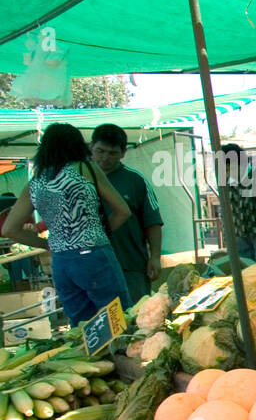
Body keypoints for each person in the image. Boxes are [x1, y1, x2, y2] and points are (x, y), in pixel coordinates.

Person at [1, 124, 131, 325]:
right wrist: (98, 234)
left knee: (81, 327)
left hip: (61, 262)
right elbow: (123, 211)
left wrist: (48, 245)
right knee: (117, 320)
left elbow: (9, 229)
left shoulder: (36, 183)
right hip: (93, 254)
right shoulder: (85, 168)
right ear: (78, 145)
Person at [90, 123, 164, 303]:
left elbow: (153, 222)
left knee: (135, 320)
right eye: (100, 151)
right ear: (91, 148)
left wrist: (155, 257)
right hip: (91, 267)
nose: (105, 158)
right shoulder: (78, 179)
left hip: (131, 267)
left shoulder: (135, 181)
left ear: (123, 153)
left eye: (112, 153)